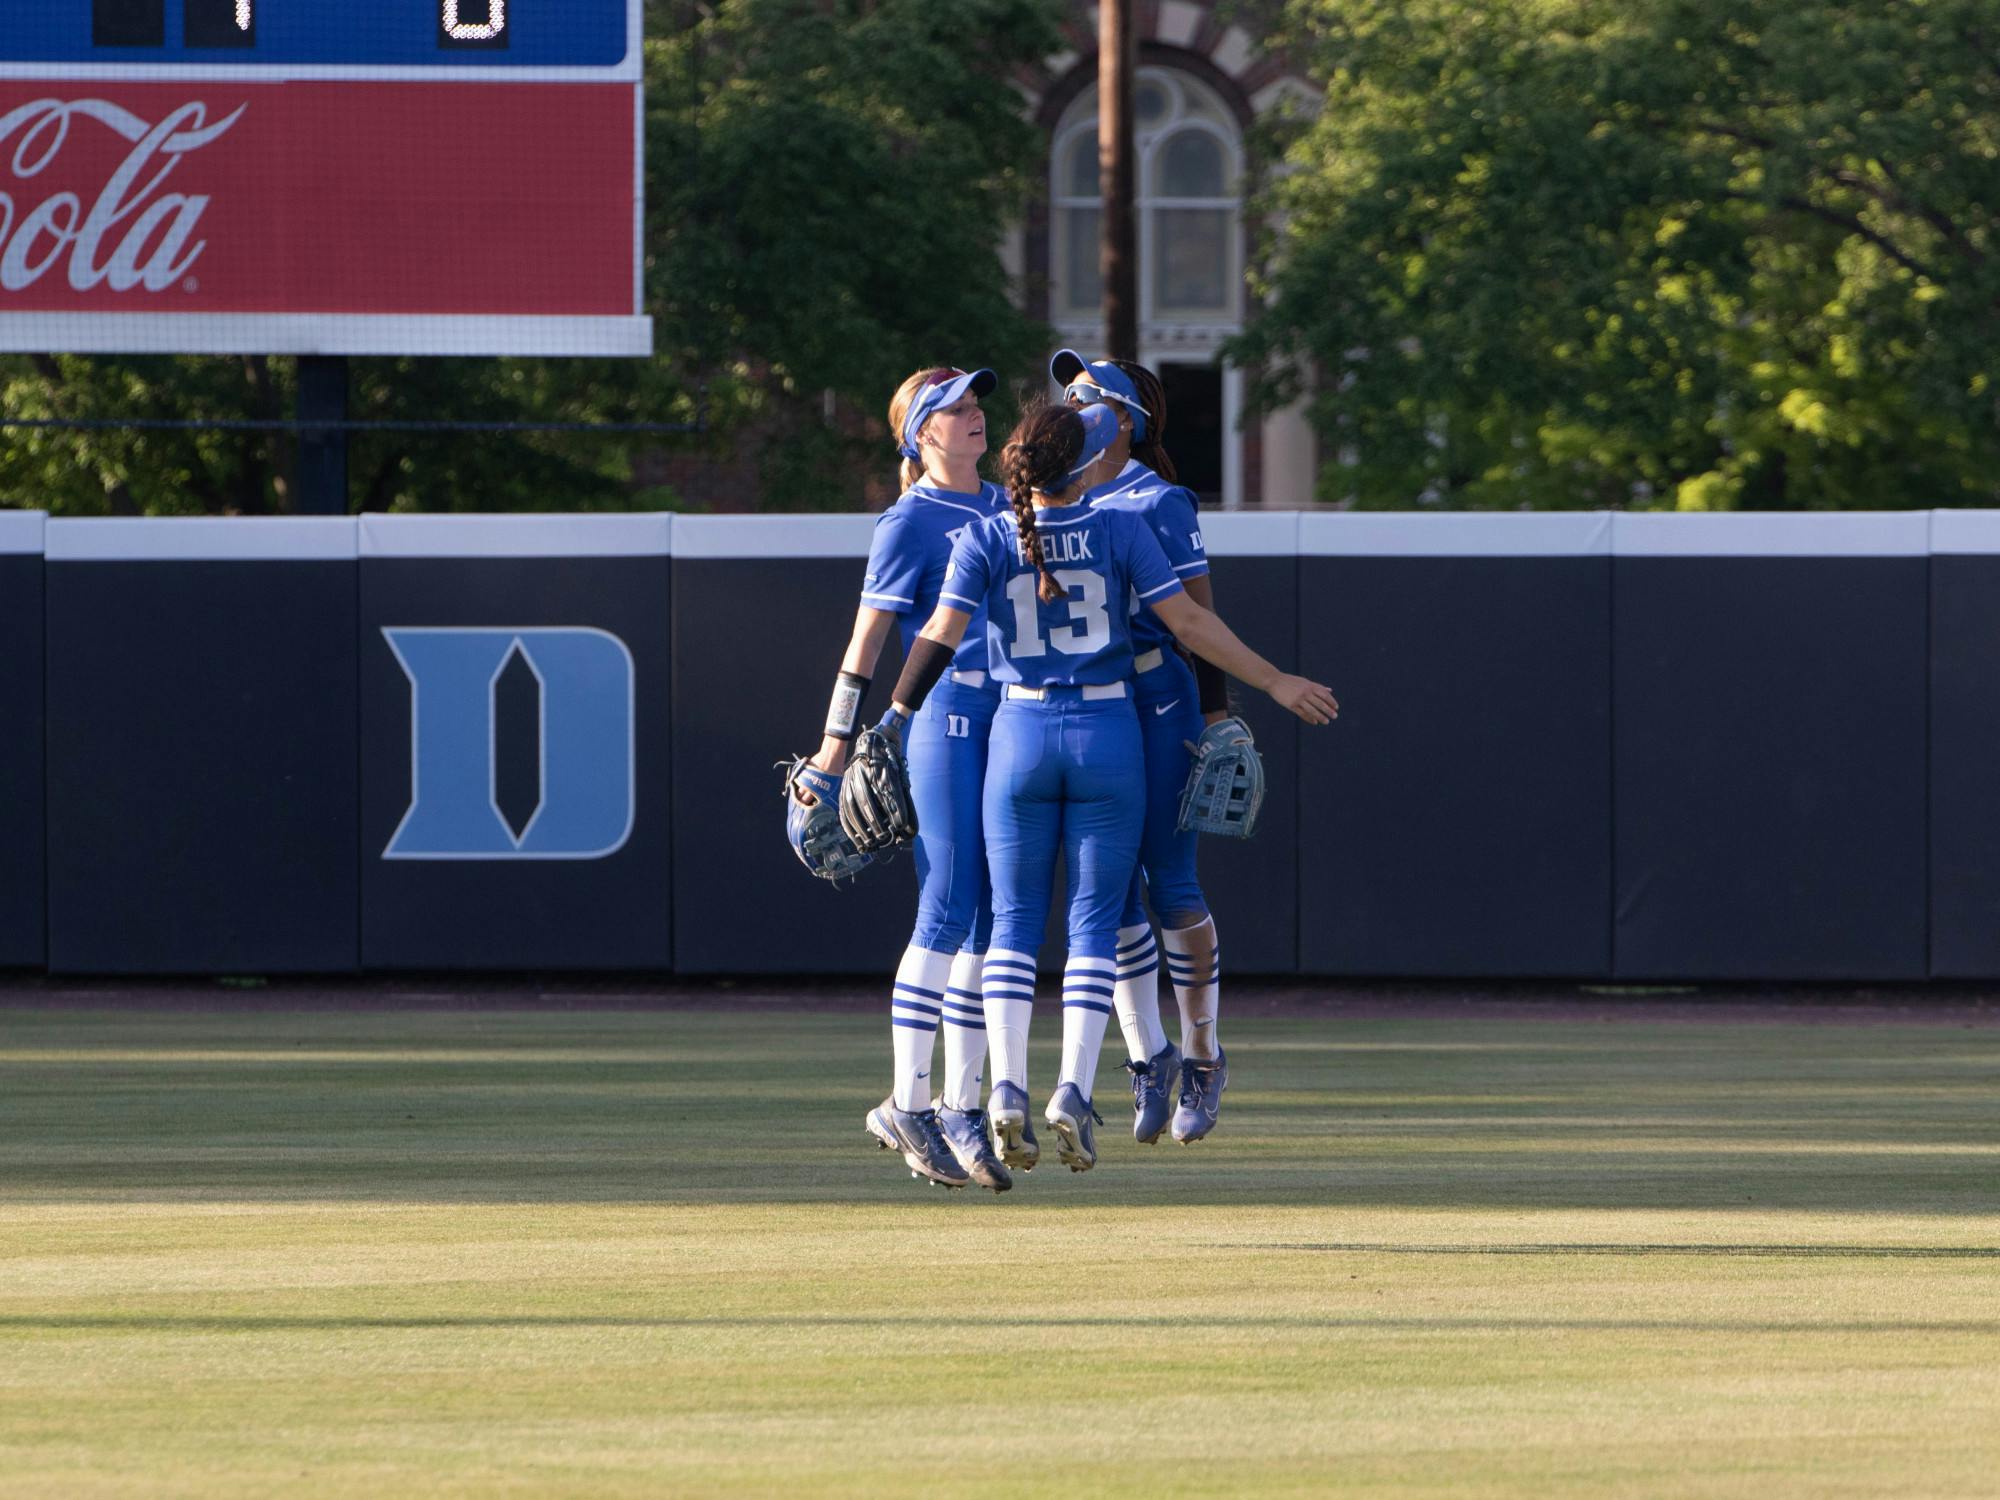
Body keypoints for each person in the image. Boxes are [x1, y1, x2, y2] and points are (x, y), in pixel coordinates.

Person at [868, 400, 1337, 1172]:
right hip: (1106, 734)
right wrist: (1276, 680)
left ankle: (1007, 1089)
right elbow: (1189, 625)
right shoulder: (1121, 529)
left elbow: (936, 639)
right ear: (1086, 464)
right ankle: (1073, 1091)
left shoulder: (986, 532)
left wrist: (889, 722)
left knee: (1012, 925)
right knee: (1094, 925)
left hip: (1016, 735)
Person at [801, 366, 1012, 1192]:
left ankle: (961, 1105)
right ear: (920, 431)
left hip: (1015, 723)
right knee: (950, 903)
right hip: (943, 723)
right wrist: (833, 746)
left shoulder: (1009, 503)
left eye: (975, 405)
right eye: (954, 409)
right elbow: (864, 646)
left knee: (996, 924)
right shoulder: (909, 520)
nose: (973, 417)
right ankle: (908, 1101)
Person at [1052, 350, 1240, 1145]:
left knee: (1170, 882)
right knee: (1107, 891)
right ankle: (1146, 1055)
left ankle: (1201, 1050)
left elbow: (1199, 616)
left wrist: (1220, 712)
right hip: (1079, 706)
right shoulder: (1042, 498)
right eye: (1065, 393)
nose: (1070, 404)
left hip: (1156, 697)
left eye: (1087, 396)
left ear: (1124, 420)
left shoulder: (1158, 500)